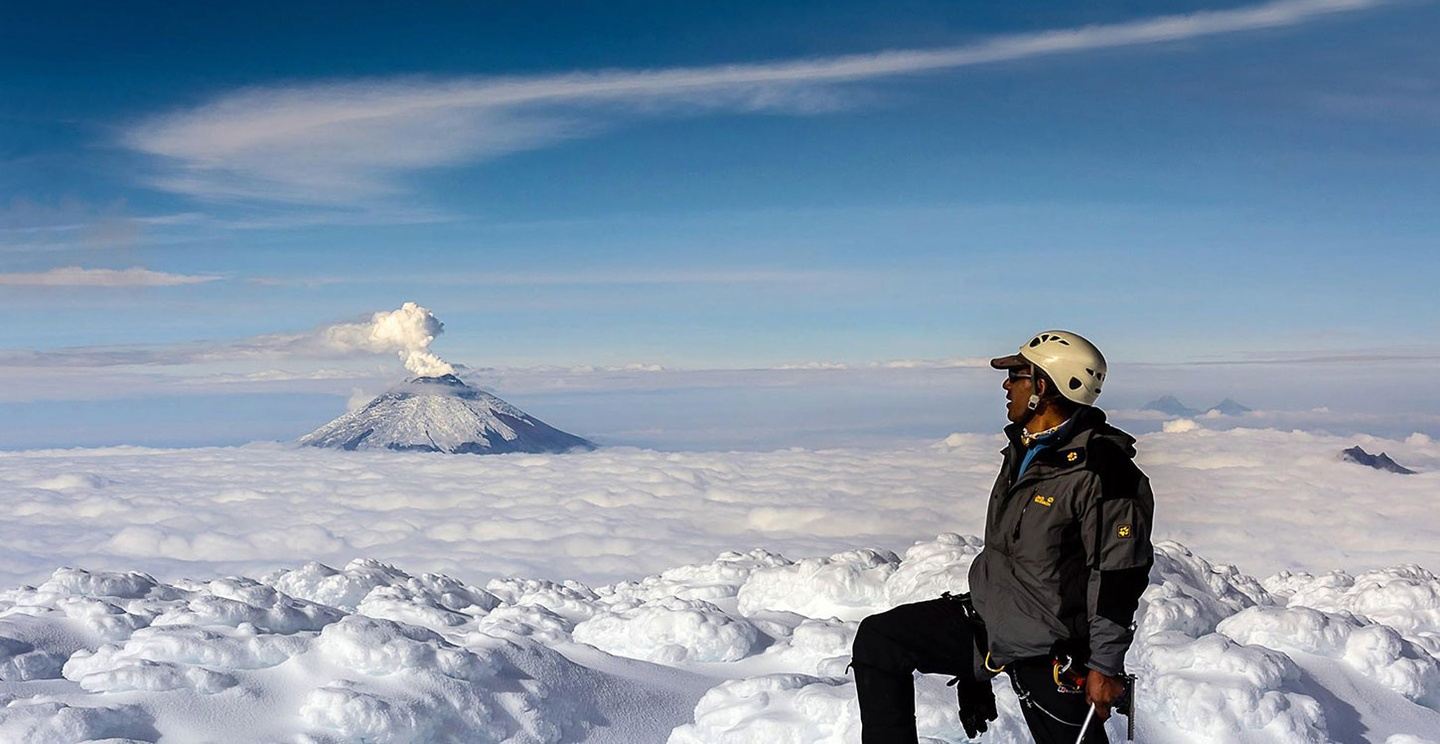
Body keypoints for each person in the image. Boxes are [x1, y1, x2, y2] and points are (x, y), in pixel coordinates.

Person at [850, 330, 1154, 743]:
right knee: (881, 641)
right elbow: (1011, 555)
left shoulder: (1103, 472)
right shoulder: (1026, 449)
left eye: (1017, 376)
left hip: (1052, 648)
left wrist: (1104, 666)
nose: (1006, 385)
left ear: (1044, 387)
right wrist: (972, 669)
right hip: (991, 623)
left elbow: (1119, 574)